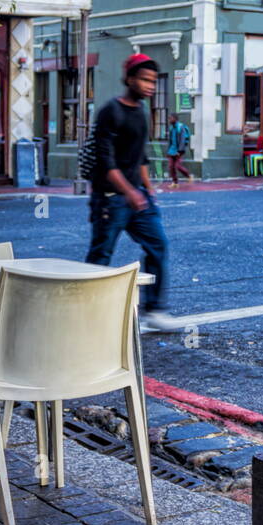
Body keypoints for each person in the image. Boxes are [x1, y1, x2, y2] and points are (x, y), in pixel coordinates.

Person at [85, 53, 177, 330]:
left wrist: (148, 190)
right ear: (129, 79)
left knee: (158, 244)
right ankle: (85, 311)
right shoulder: (110, 111)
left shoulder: (140, 112)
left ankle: (154, 310)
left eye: (153, 81)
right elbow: (106, 161)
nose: (150, 85)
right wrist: (129, 192)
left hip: (138, 196)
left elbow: (141, 156)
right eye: (145, 80)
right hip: (110, 198)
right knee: (101, 255)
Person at [165, 113, 193, 186]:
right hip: (172, 150)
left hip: (179, 151)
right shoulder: (171, 128)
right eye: (169, 118)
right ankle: (175, 182)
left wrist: (179, 151)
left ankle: (189, 176)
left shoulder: (181, 127)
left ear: (175, 119)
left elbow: (182, 140)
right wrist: (168, 151)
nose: (169, 120)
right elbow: (170, 141)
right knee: (171, 167)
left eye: (170, 118)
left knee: (177, 166)